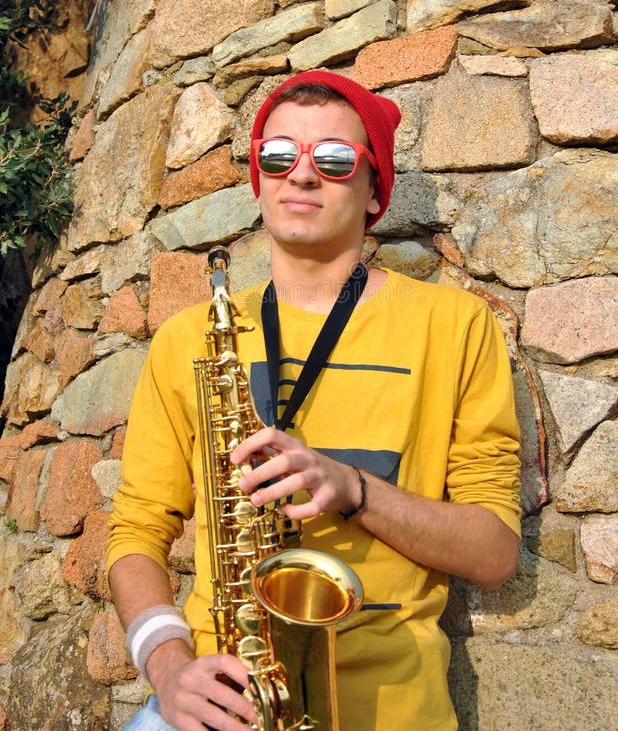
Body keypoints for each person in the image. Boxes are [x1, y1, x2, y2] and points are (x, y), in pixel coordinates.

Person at [106, 70, 521, 731]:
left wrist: (351, 487)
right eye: (278, 155)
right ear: (261, 178)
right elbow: (135, 532)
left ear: (373, 188)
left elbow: (495, 554)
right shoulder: (186, 339)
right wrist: (167, 668)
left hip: (392, 712)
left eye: (332, 159)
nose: (300, 175)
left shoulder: (456, 325)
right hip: (219, 704)